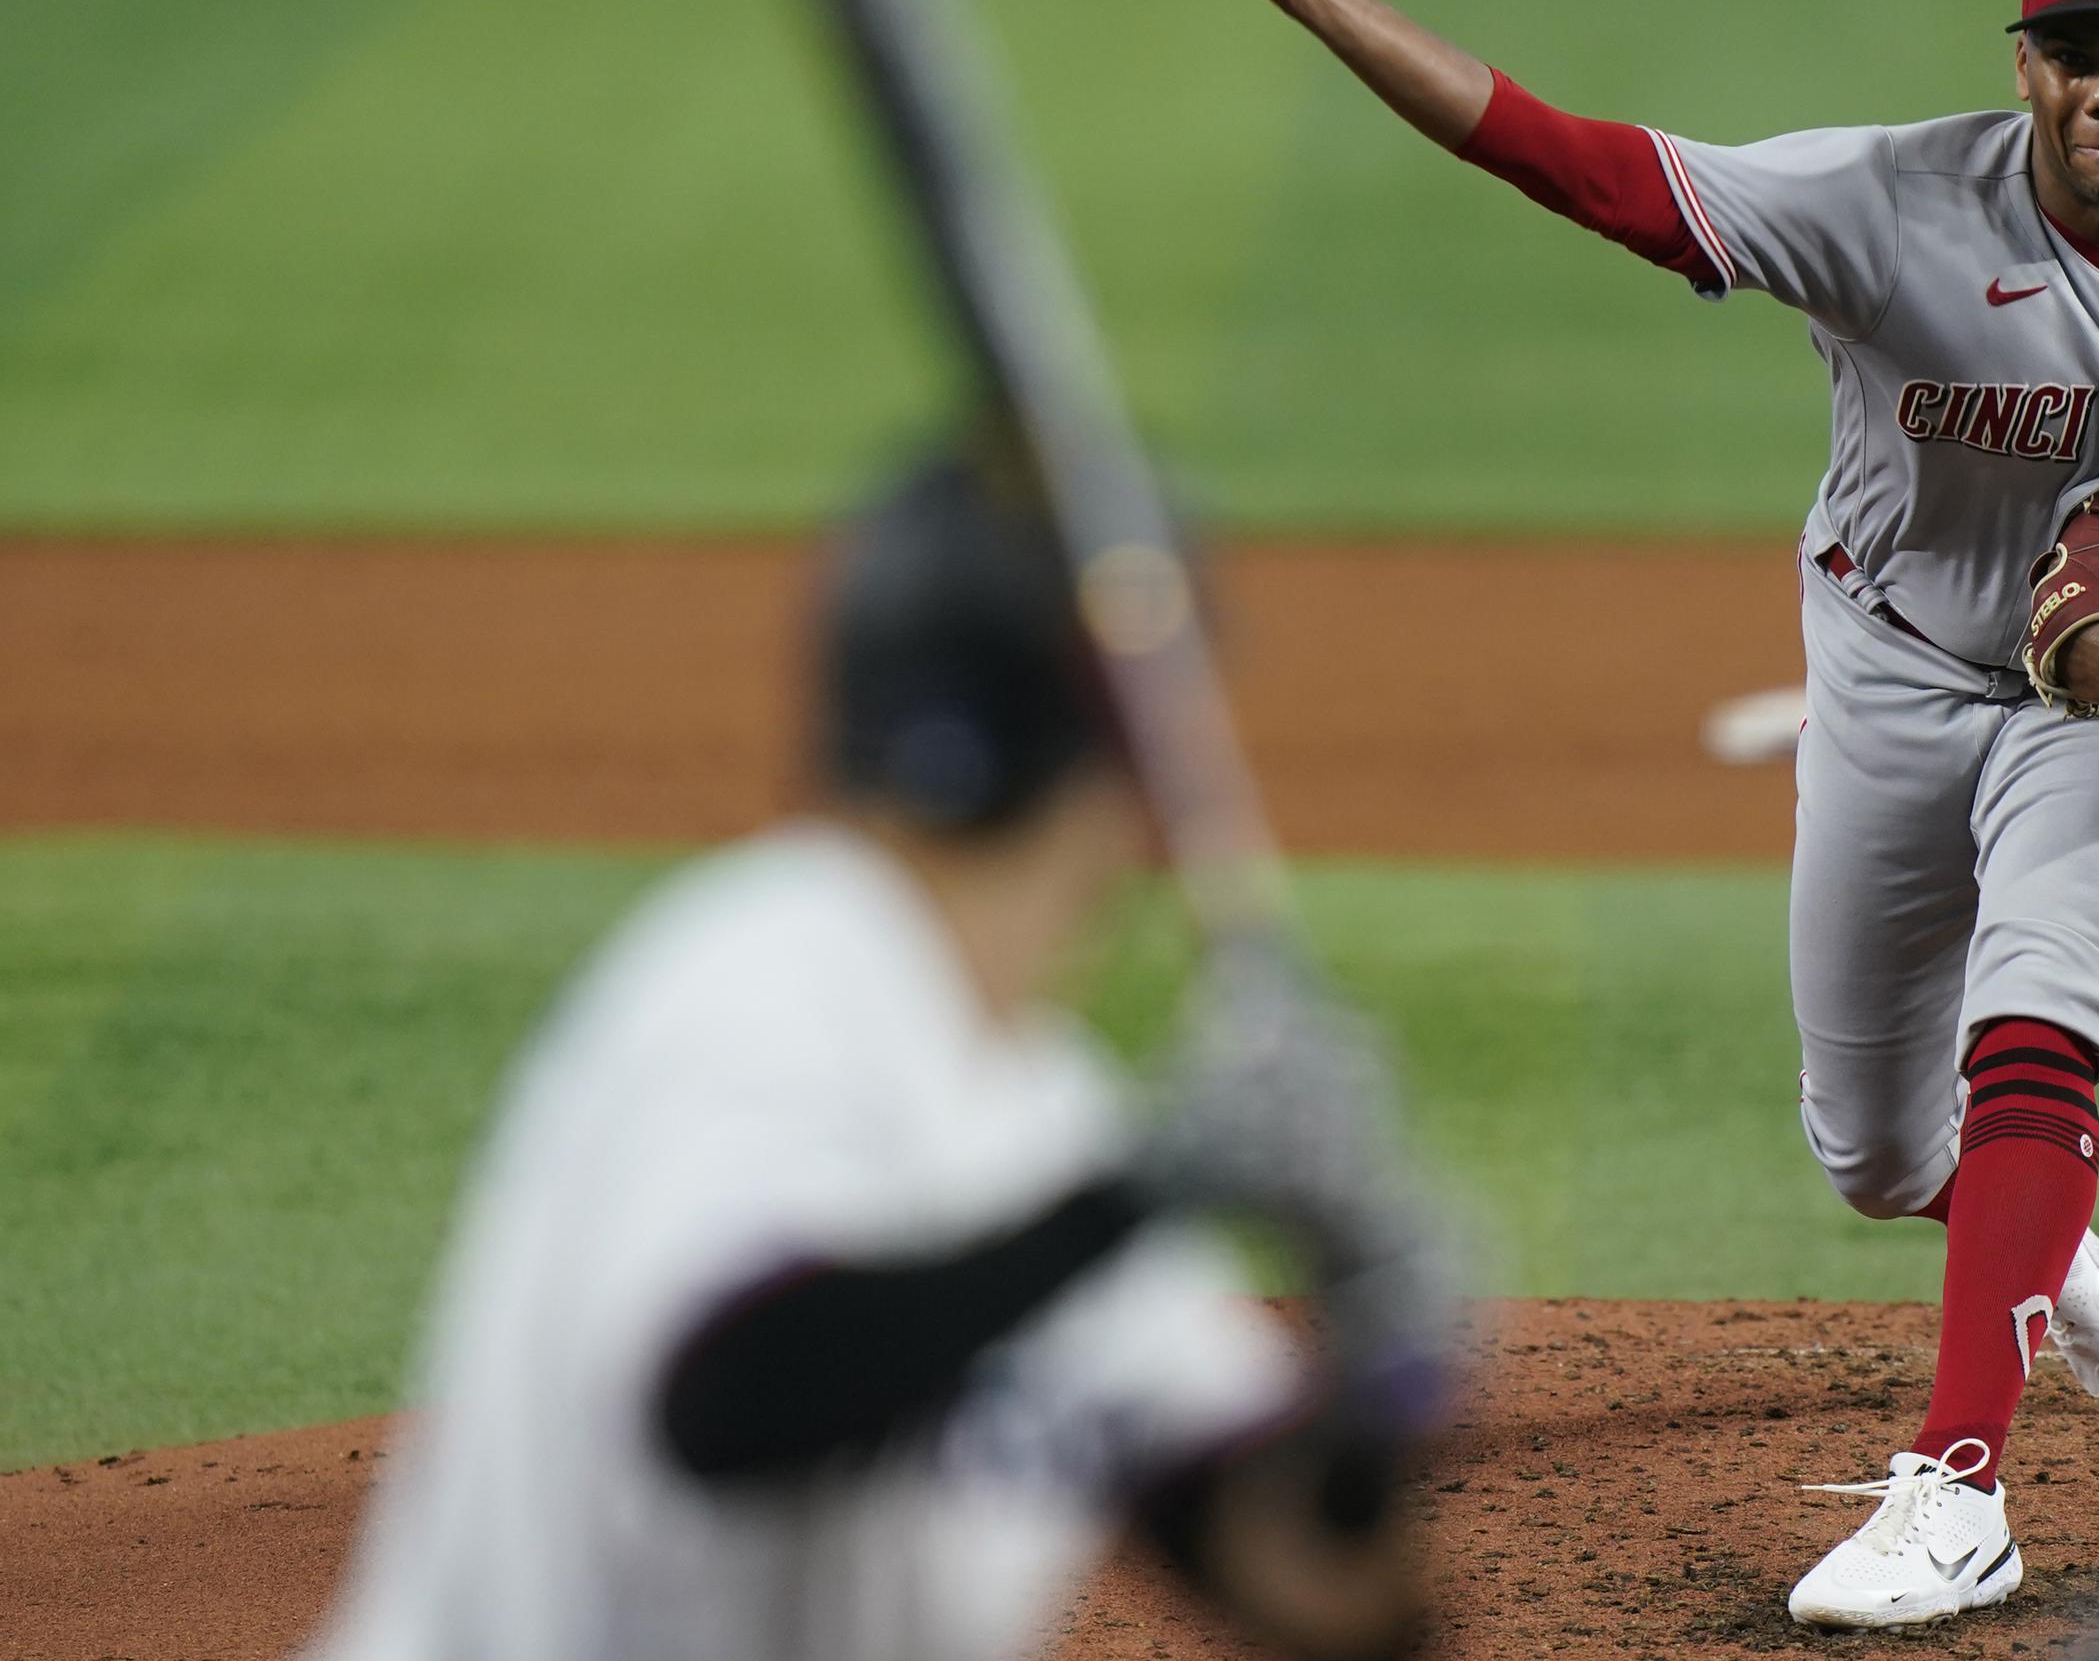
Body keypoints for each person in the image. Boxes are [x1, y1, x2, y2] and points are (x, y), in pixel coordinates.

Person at [1144, 0, 2099, 1630]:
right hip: (1888, 669)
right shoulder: (1886, 203)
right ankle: (2030, 1239)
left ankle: (1959, 1489)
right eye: (2072, 50)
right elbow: (1581, 168)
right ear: (2022, 60)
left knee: (2041, 1001)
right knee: (1879, 1155)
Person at [308, 449, 1431, 1661]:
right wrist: (1150, 1192)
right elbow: (729, 1394)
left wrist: (1379, 1382)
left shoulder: (1042, 1111)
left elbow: (1312, 1588)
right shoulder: (760, 968)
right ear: (1144, 758)